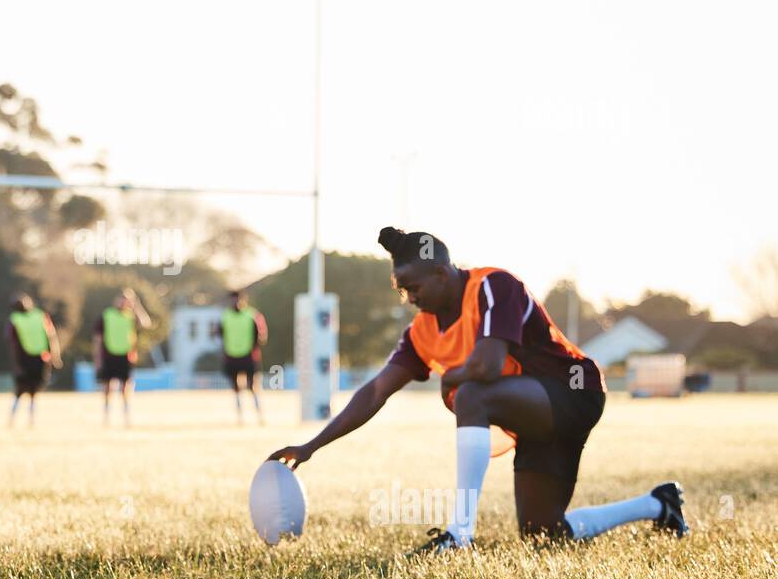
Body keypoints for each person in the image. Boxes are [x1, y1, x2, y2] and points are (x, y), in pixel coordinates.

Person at [268, 227, 688, 553]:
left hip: (573, 392)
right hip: (537, 418)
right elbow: (376, 391)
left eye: (414, 286)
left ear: (442, 271)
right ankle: (658, 504)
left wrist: (449, 380)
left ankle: (460, 532)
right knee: (543, 533)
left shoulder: (493, 286)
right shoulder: (421, 331)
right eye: (402, 290)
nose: (409, 297)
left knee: (470, 393)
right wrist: (312, 445)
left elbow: (485, 367)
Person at [93, 288, 152, 426]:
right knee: (108, 388)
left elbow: (146, 324)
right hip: (109, 355)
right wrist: (97, 358)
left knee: (126, 388)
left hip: (126, 356)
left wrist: (136, 306)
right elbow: (97, 338)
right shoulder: (107, 315)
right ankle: (106, 416)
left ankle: (126, 416)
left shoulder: (131, 316)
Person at [5, 293, 62, 426]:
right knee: (20, 390)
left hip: (40, 358)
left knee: (34, 391)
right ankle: (12, 419)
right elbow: (12, 342)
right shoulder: (15, 319)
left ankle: (31, 420)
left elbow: (51, 336)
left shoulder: (41, 315)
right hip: (23, 360)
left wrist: (54, 355)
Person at [221, 290, 268, 424]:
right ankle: (240, 418)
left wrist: (254, 347)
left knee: (253, 387)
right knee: (236, 388)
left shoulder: (252, 315)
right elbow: (220, 335)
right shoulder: (225, 316)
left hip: (249, 356)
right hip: (231, 356)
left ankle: (260, 417)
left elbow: (262, 336)